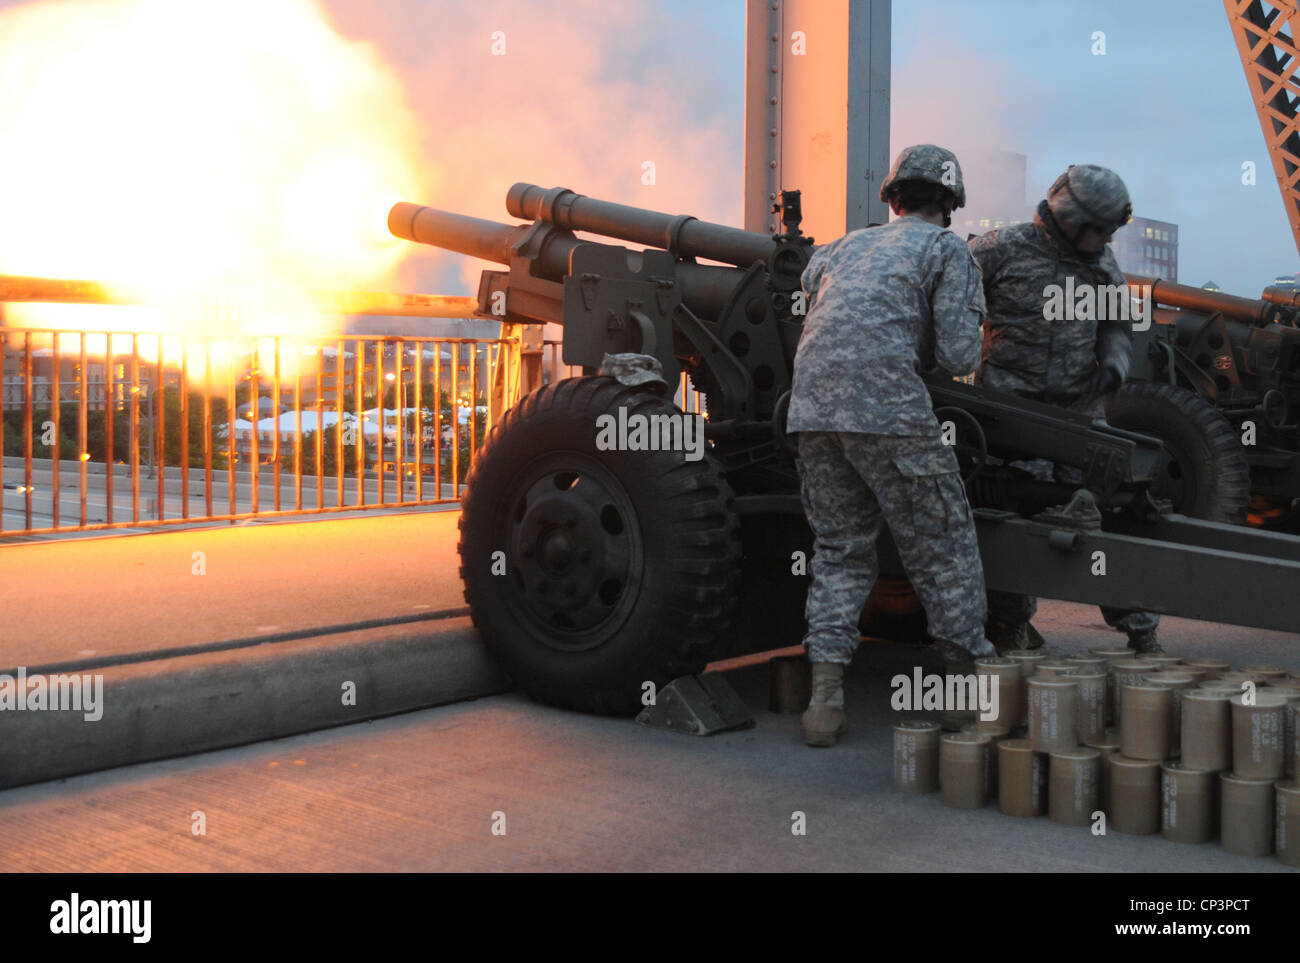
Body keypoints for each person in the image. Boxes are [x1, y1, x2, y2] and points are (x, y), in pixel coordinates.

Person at [788, 144, 997, 748]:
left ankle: (824, 702)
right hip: (889, 411)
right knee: (943, 547)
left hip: (811, 412)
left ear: (894, 197)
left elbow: (819, 307)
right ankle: (963, 699)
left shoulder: (839, 248)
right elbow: (958, 356)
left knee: (840, 550)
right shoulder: (946, 250)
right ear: (950, 204)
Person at [970, 163, 1161, 654]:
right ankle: (1010, 623)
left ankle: (1140, 627)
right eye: (1102, 229)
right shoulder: (997, 251)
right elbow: (953, 310)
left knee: (1103, 516)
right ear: (1072, 220)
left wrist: (1114, 365)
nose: (1109, 239)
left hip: (1080, 413)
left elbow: (1118, 325)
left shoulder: (1101, 264)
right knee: (1008, 520)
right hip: (1011, 415)